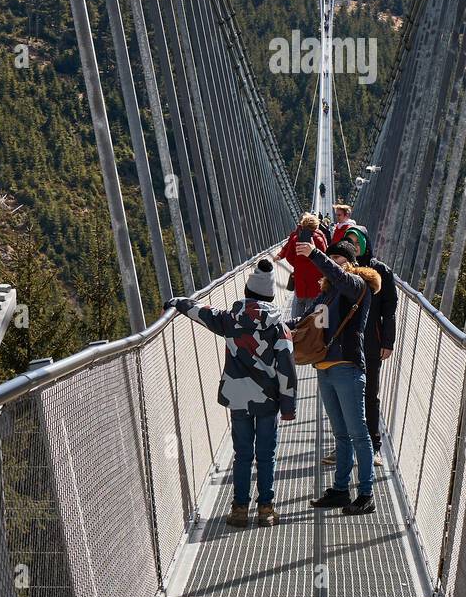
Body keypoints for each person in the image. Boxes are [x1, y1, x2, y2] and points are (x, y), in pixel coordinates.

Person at [166, 257, 297, 529]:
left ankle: (239, 509)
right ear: (272, 296)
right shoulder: (278, 327)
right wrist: (288, 406)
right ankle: (266, 509)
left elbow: (201, 312)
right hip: (268, 399)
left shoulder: (229, 319)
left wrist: (179, 302)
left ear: (247, 293)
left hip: (238, 396)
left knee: (242, 454)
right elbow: (286, 367)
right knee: (266, 454)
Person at [292, 237, 380, 514]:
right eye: (332, 262)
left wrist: (316, 255)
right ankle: (341, 490)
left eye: (339, 262)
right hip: (325, 369)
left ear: (350, 264)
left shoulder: (357, 286)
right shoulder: (327, 295)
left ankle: (366, 494)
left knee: (359, 434)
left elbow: (339, 276)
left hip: (347, 367)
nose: (334, 267)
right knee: (341, 435)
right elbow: (310, 321)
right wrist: (274, 326)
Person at [322, 224, 395, 469]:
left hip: (372, 343)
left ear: (365, 243)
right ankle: (343, 447)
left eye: (357, 240)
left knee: (369, 395)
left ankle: (374, 447)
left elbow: (389, 310)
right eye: (348, 240)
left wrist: (388, 341)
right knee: (344, 396)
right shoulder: (339, 272)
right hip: (345, 344)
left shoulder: (380, 271)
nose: (353, 244)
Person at [277, 212, 327, 319]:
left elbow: (289, 256)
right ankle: (315, 334)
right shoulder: (319, 239)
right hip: (316, 283)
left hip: (300, 282)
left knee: (297, 310)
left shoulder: (296, 239)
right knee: (315, 314)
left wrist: (298, 266)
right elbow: (324, 258)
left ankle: (295, 331)